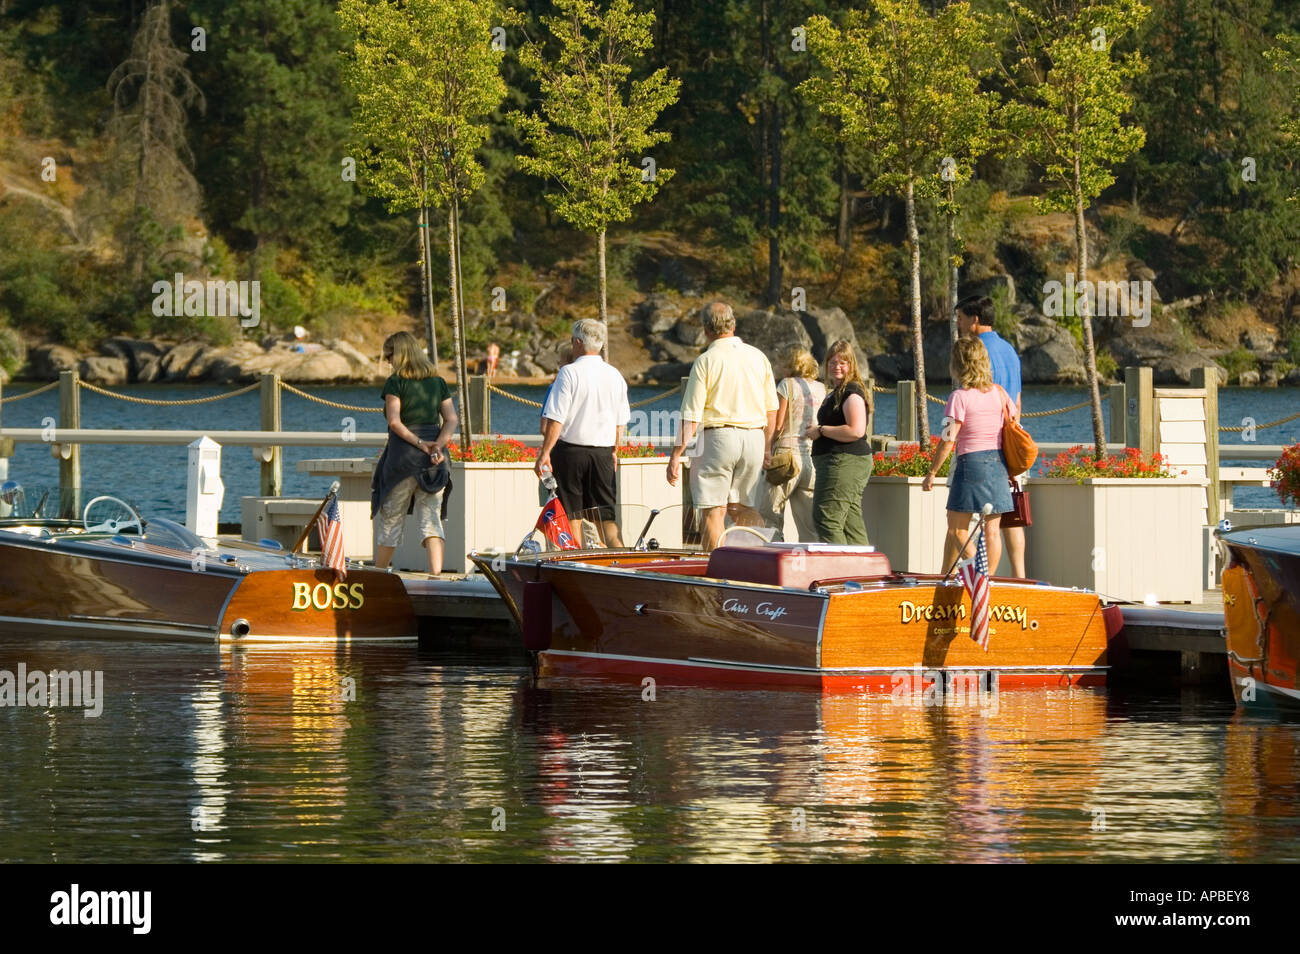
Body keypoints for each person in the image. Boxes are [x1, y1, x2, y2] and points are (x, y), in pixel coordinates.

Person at [667, 301, 778, 551]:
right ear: (734, 325)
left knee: (713, 511)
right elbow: (772, 409)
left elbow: (691, 414)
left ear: (706, 329)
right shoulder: (758, 357)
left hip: (717, 438)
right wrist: (768, 446)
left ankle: (716, 574)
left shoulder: (706, 360)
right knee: (744, 508)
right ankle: (758, 563)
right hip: (754, 438)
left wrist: (676, 454)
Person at [922, 336, 1015, 574]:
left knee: (956, 530)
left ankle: (980, 572)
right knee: (992, 530)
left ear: (958, 364)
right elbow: (1011, 426)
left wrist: (932, 472)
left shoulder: (959, 397)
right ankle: (988, 582)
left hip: (970, 464)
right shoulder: (1000, 393)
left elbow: (947, 440)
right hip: (998, 464)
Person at [536, 319, 630, 548]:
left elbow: (556, 419)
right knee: (606, 518)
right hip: (603, 454)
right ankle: (624, 566)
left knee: (572, 517)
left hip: (571, 452)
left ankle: (575, 566)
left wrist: (545, 452)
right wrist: (615, 451)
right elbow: (620, 423)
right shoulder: (615, 374)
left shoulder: (568, 373)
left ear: (577, 342)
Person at [371, 331, 459, 576]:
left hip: (403, 459)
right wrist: (437, 445)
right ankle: (436, 575)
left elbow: (395, 422)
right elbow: (451, 419)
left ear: (399, 354)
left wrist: (420, 443)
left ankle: (379, 574)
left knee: (392, 517)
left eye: (389, 356)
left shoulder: (395, 382)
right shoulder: (438, 382)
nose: (388, 361)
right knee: (431, 519)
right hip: (435, 461)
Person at [957, 294, 1026, 577]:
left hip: (980, 446)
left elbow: (971, 398)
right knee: (1011, 516)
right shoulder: (1010, 350)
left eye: (961, 317)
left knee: (960, 520)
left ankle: (960, 576)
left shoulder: (973, 350)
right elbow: (1017, 401)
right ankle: (1021, 577)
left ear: (974, 320)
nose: (958, 324)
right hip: (1010, 440)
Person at [752, 347, 826, 541]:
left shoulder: (787, 385)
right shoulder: (821, 388)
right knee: (809, 525)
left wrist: (766, 449)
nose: (780, 368)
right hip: (811, 459)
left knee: (770, 517)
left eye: (783, 364)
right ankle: (812, 565)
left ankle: (775, 561)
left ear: (792, 365)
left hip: (786, 457)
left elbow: (776, 425)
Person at [805, 340, 873, 544]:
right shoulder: (836, 393)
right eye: (833, 362)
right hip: (838, 461)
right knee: (850, 524)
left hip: (843, 461)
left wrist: (821, 430)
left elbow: (856, 430)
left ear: (852, 365)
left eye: (843, 362)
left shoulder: (851, 393)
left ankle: (841, 571)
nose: (837, 366)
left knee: (826, 518)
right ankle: (862, 571)